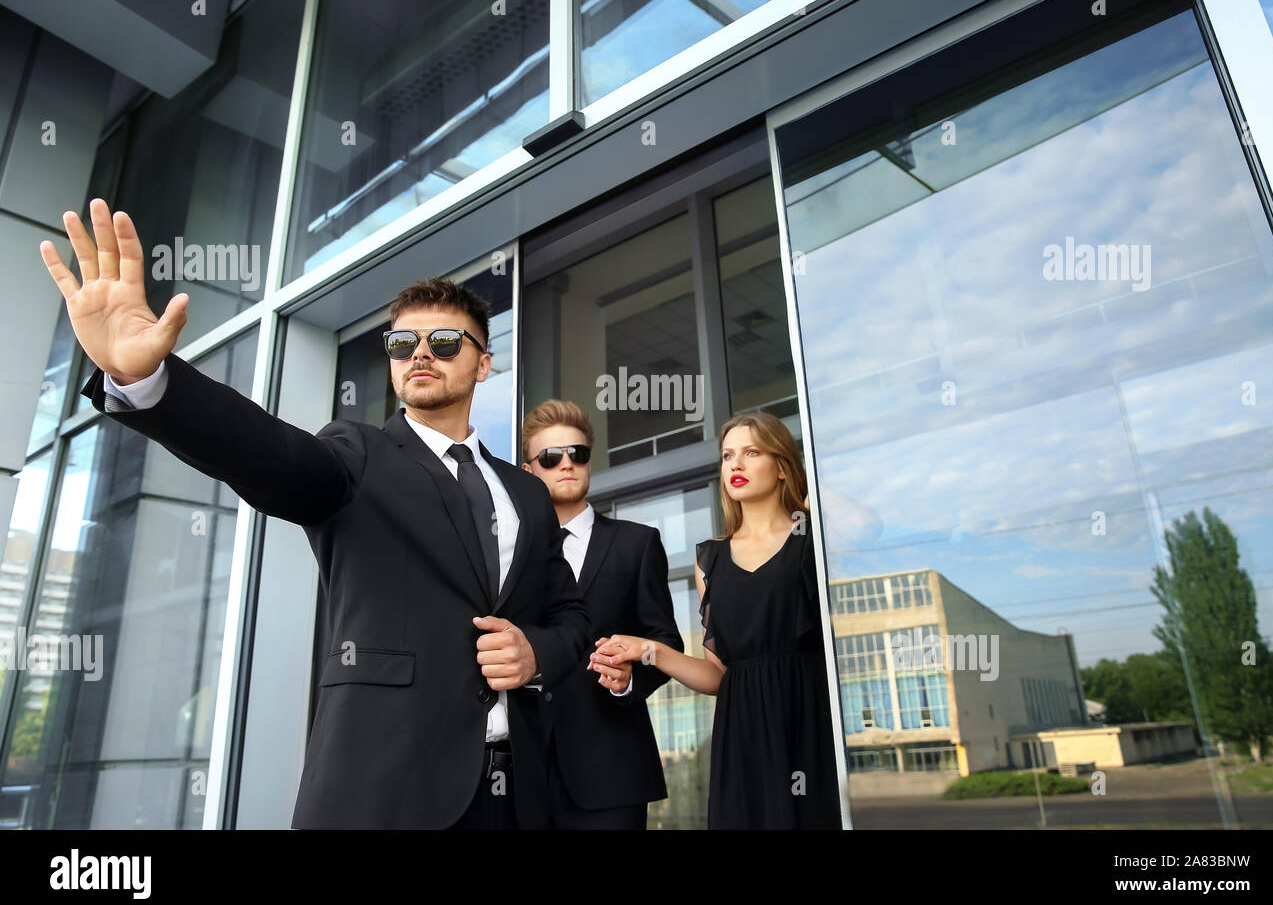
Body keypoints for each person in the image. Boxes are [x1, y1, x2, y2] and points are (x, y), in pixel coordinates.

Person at [39, 199, 589, 829]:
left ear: (484, 363)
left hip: (518, 792)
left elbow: (569, 614)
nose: (420, 354)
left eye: (443, 341)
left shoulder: (525, 493)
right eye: (403, 342)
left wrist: (535, 653)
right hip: (383, 794)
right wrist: (151, 383)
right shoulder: (357, 455)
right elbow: (268, 456)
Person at [594, 411, 841, 828]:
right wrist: (649, 650)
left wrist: (811, 495)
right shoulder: (710, 559)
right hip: (740, 734)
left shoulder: (811, 536)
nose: (735, 465)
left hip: (807, 720)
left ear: (781, 466)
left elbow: (868, 524)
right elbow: (717, 675)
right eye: (728, 456)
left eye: (751, 452)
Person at [520, 400, 683, 828]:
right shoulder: (510, 556)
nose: (567, 464)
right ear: (528, 471)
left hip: (612, 768)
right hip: (524, 770)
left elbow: (665, 643)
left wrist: (628, 680)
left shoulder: (638, 543)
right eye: (551, 457)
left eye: (578, 453)